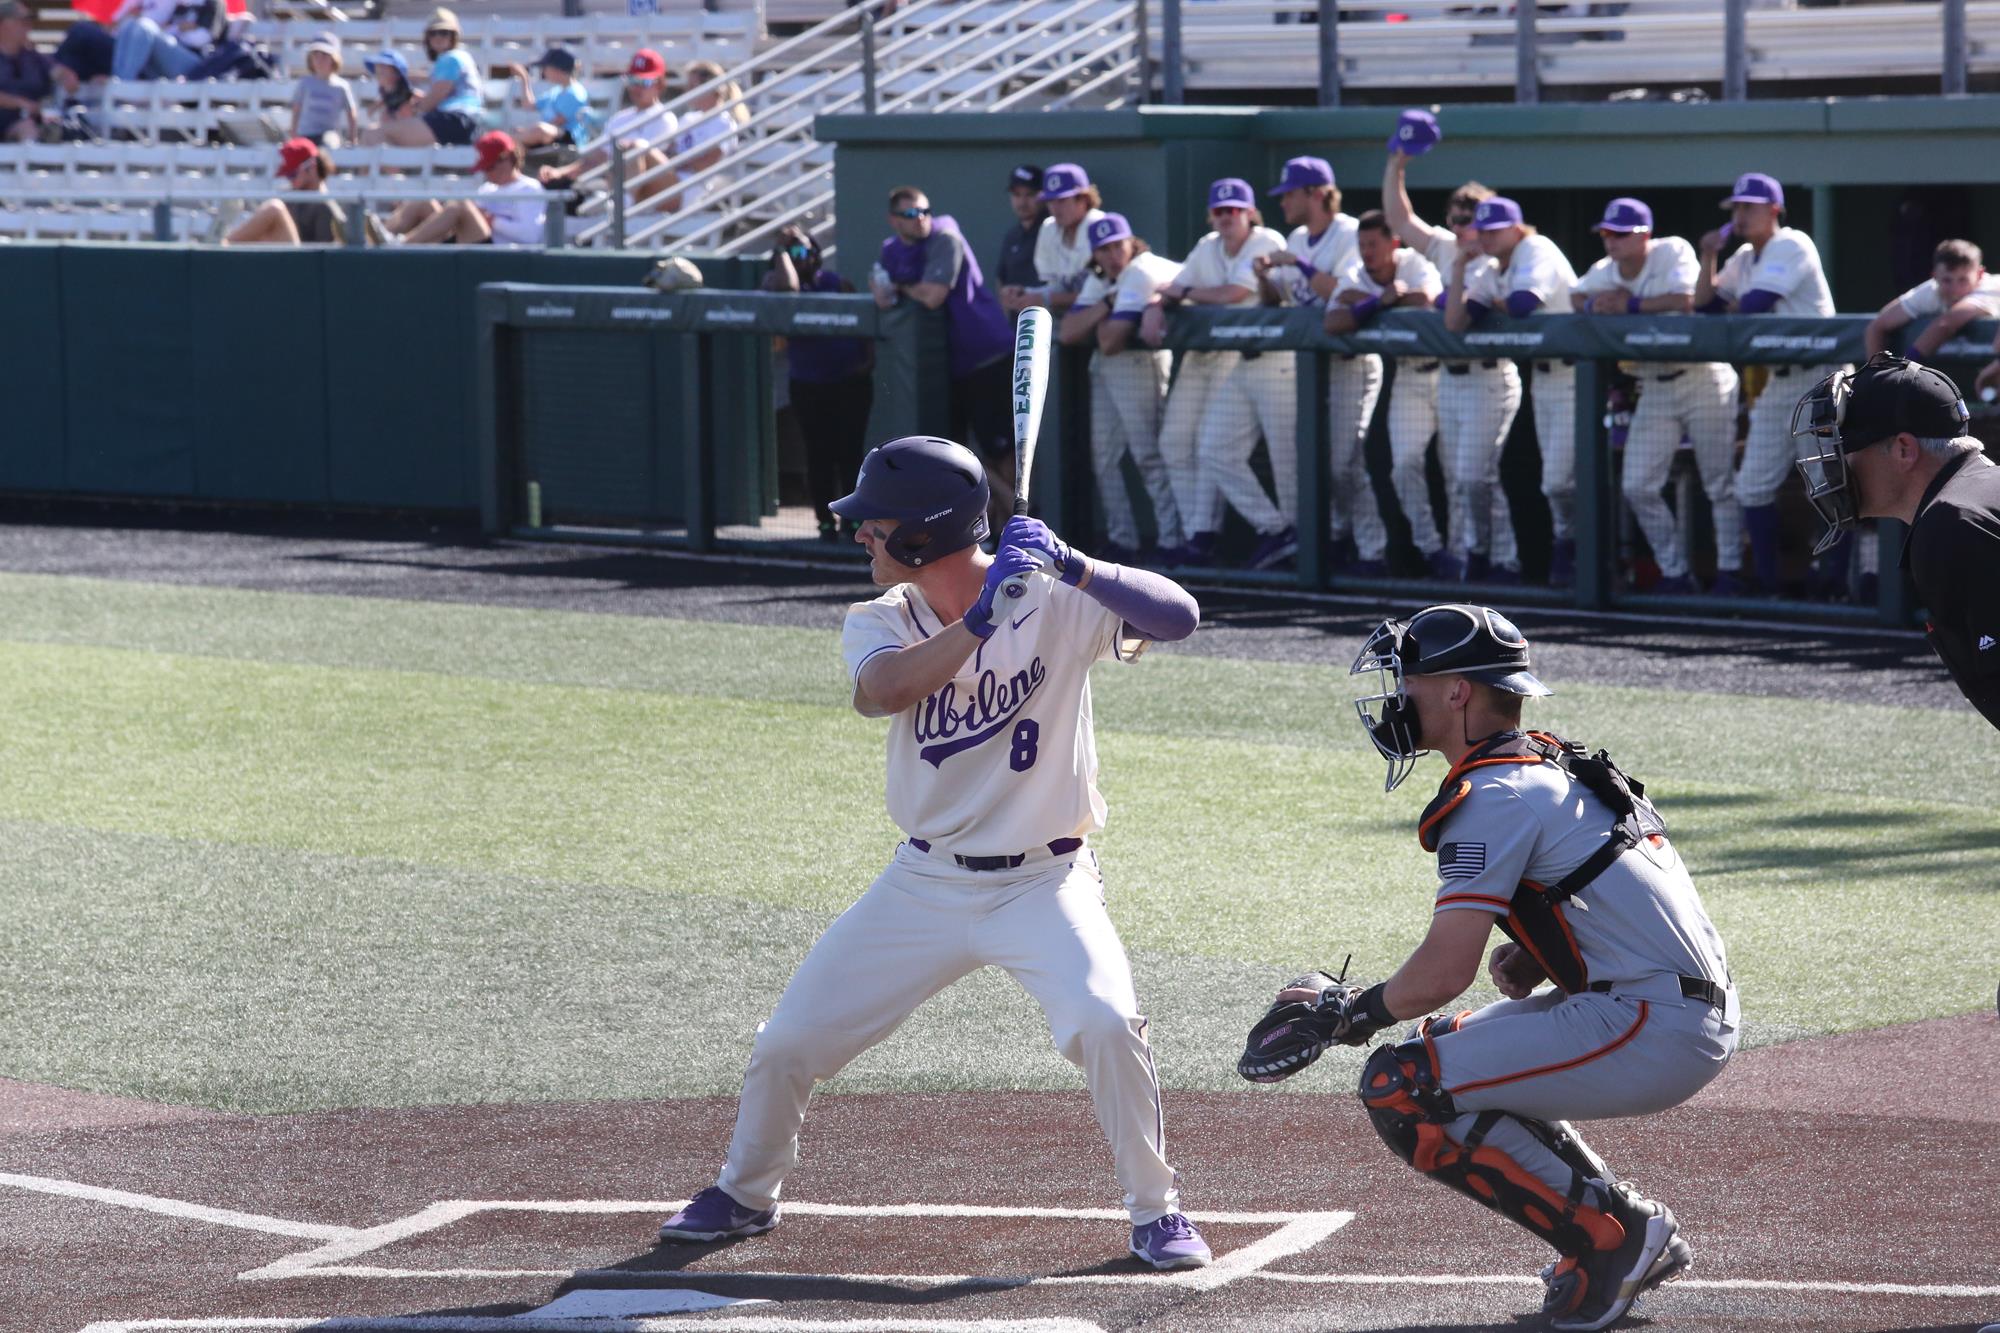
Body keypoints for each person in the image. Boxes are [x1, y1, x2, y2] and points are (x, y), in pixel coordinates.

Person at [655, 437, 1213, 1273]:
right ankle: (744, 1190)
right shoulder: (881, 617)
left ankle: (1156, 1210)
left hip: (1046, 881)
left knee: (1105, 1022)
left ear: (921, 536)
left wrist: (1077, 565)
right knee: (788, 1042)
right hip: (923, 882)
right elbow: (883, 691)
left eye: (873, 524)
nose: (858, 534)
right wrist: (983, 617)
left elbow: (1180, 617)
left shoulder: (1055, 598)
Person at [1245, 602, 1736, 1331]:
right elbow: (1619, 885)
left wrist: (1352, 1012)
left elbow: (1445, 970)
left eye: (1409, 679)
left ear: (1457, 691)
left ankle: (1609, 1238)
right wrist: (1539, 949)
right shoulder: (1549, 760)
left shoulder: (1495, 795)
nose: (1397, 696)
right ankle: (1621, 1225)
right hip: (1668, 1002)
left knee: (1403, 1082)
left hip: (1651, 1021)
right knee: (1444, 1048)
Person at [1795, 353, 2000, 729]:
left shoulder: (1952, 523)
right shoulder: (1979, 494)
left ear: (1904, 449)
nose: (1838, 465)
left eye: (1847, 449)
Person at [1571, 197, 1742, 596]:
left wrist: (1629, 304)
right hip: (1655, 388)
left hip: (1703, 378)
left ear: (1645, 235)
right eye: (1606, 233)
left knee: (1719, 483)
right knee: (1637, 486)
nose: (1611, 241)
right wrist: (1597, 302)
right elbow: (1575, 296)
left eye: (1621, 234)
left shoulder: (1672, 251)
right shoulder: (1606, 269)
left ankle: (1731, 572)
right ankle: (1675, 572)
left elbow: (1688, 300)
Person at [1382, 110, 1518, 583]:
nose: (1463, 228)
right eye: (1457, 219)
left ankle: (1502, 560)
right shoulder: (1445, 247)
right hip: (1447, 376)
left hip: (1489, 372)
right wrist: (1397, 163)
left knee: (1475, 478)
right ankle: (1462, 561)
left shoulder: (1502, 256)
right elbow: (1399, 218)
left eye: (1472, 220)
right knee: (1456, 477)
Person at [1695, 172, 1837, 596]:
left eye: (1749, 207)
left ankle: (1833, 584)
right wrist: (1708, 256)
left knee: (1828, 485)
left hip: (1819, 375)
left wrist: (1732, 305)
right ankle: (1771, 585)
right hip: (1781, 379)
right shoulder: (1742, 257)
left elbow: (1755, 303)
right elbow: (1705, 306)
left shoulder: (1792, 243)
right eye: (1736, 207)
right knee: (1751, 486)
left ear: (1774, 210)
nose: (1740, 215)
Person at [1143, 178, 1294, 569]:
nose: (1227, 216)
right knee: (1194, 446)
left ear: (1250, 213)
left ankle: (1310, 545)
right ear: (1211, 215)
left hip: (1275, 360)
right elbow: (1174, 287)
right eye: (1220, 211)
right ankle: (1210, 534)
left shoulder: (1267, 240)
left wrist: (1183, 294)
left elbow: (1233, 294)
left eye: (1234, 210)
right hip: (1234, 361)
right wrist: (1157, 304)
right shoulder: (1207, 246)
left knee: (1293, 462)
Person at [1448, 197, 1580, 586]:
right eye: (1482, 231)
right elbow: (1456, 321)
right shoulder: (1491, 268)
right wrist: (1458, 267)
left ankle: (1573, 549)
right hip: (1543, 378)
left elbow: (1523, 303)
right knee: (1553, 482)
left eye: (1495, 230)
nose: (1486, 238)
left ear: (1517, 229)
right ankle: (1565, 553)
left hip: (1577, 376)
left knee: (1558, 481)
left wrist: (1494, 304)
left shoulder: (1536, 248)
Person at [870, 185, 1017, 518]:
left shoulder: (946, 236)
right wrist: (894, 287)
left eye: (925, 211)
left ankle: (1013, 520)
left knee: (1000, 449)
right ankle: (1004, 514)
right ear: (894, 220)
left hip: (986, 356)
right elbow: (880, 292)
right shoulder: (891, 249)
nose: (921, 218)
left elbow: (933, 295)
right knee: (950, 451)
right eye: (911, 214)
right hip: (946, 368)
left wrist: (900, 286)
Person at [1057, 212, 1184, 563]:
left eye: (1118, 246)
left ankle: (1172, 540)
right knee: (1104, 457)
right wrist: (1107, 304)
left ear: (1132, 243)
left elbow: (1109, 340)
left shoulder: (1141, 270)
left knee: (1148, 454)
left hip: (1139, 366)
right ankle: (1122, 539)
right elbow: (1068, 332)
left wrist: (1101, 316)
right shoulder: (1101, 278)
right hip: (1109, 369)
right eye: (1104, 249)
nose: (1113, 255)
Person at [1326, 209, 1443, 576]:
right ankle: (1431, 551)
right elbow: (1333, 320)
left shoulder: (1415, 262)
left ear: (1394, 243)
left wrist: (1367, 302)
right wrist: (1381, 299)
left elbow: (1427, 298)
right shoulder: (1356, 271)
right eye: (1362, 244)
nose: (1367, 252)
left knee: (1464, 476)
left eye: (1373, 244)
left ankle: (1469, 556)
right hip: (1408, 375)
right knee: (1404, 467)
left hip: (1447, 375)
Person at [762, 224, 873, 543]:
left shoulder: (837, 282)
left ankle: (853, 520)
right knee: (819, 454)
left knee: (850, 453)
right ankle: (825, 521)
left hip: (849, 382)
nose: (801, 257)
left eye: (805, 250)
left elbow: (864, 326)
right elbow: (787, 288)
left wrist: (867, 361)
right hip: (809, 385)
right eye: (792, 252)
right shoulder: (775, 281)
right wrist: (782, 250)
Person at [538, 49, 677, 213]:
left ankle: (621, 207)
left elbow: (647, 165)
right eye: (633, 80)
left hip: (654, 193)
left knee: (634, 148)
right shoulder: (620, 119)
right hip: (619, 186)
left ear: (660, 84)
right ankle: (618, 206)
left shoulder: (665, 118)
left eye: (644, 82)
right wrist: (560, 172)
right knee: (555, 186)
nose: (636, 87)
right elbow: (599, 156)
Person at [384, 130, 545, 246]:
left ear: (507, 159)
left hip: (500, 254)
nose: (486, 174)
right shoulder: (487, 189)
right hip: (473, 243)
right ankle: (380, 239)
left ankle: (401, 245)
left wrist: (492, 220)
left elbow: (530, 236)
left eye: (489, 168)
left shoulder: (529, 188)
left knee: (461, 204)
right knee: (424, 202)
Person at [363, 8, 483, 148]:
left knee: (373, 134)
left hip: (455, 121)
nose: (438, 37)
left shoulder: (450, 58)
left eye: (444, 32)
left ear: (453, 36)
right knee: (385, 138)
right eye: (433, 33)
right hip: (462, 122)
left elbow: (435, 98)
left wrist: (414, 110)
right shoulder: (457, 58)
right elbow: (435, 83)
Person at [1866, 239, 2000, 361]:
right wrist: (1876, 374)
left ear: (1980, 274)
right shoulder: (1931, 290)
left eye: (1963, 280)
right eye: (1947, 280)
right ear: (1934, 276)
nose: (1955, 289)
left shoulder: (1992, 288)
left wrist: (1905, 369)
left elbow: (1945, 324)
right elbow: (1876, 327)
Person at [1001, 163, 1104, 317]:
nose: (1055, 208)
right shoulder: (1049, 228)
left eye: (1062, 200)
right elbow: (1058, 287)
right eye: (1050, 200)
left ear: (1083, 199)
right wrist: (1026, 293)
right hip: (1072, 320)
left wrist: (1044, 298)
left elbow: (1103, 295)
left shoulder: (1099, 227)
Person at [223, 137, 347, 246]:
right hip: (285, 257)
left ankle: (222, 246)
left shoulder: (326, 207)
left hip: (302, 262)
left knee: (275, 208)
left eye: (292, 174)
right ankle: (223, 245)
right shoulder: (291, 196)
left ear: (312, 167)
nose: (290, 180)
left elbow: (323, 256)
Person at [661, 58, 746, 212]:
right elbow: (669, 151)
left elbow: (706, 164)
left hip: (693, 186)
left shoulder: (723, 123)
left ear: (711, 88)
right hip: (673, 180)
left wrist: (678, 160)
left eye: (693, 86)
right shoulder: (688, 118)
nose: (687, 91)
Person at [507, 46, 590, 151]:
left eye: (545, 68)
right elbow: (529, 105)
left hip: (568, 139)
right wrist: (524, 78)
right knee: (525, 131)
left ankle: (505, 142)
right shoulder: (557, 91)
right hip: (551, 135)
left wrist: (529, 132)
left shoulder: (576, 93)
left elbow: (556, 123)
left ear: (557, 69)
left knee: (540, 129)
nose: (543, 72)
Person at [289, 33, 359, 149]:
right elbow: (296, 109)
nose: (319, 60)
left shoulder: (341, 86)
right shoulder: (305, 83)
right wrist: (293, 135)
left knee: (329, 145)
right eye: (315, 55)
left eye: (325, 55)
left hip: (329, 134)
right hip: (305, 134)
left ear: (334, 58)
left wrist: (352, 138)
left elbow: (351, 113)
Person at [0, 0, 52, 145]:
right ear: (3, 24)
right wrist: (19, 103)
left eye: (29, 22)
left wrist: (65, 76)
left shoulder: (34, 58)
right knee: (27, 128)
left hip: (29, 124)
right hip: (7, 121)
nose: (28, 27)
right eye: (22, 21)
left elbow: (58, 74)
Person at [993, 163, 1045, 305]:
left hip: (1051, 315)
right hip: (1017, 317)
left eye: (1030, 194)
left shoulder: (1055, 231)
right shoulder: (1012, 236)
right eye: (1017, 195)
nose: (1022, 202)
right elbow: (1001, 280)